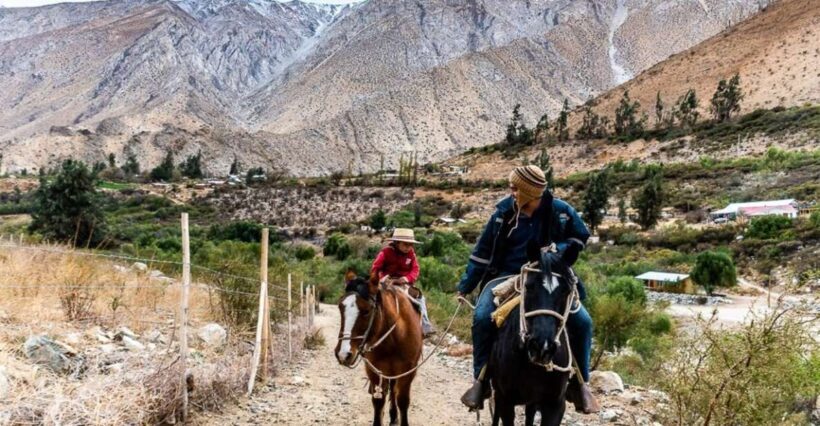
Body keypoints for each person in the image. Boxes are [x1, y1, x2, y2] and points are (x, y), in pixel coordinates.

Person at [457, 165, 600, 414]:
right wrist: (466, 286)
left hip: (549, 274)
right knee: (481, 318)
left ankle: (580, 384)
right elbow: (481, 253)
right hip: (506, 277)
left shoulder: (561, 211)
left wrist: (559, 250)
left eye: (515, 188)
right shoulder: (503, 213)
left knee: (583, 322)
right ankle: (480, 381)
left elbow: (581, 236)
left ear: (529, 191)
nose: (511, 192)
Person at [371, 228, 436, 336]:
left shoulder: (411, 254)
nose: (408, 247)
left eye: (410, 245)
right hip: (386, 283)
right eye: (405, 244)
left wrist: (406, 278)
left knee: (419, 298)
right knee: (372, 299)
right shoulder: (385, 253)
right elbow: (375, 269)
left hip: (404, 284)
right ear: (397, 243)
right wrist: (383, 278)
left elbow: (415, 269)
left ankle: (425, 325)